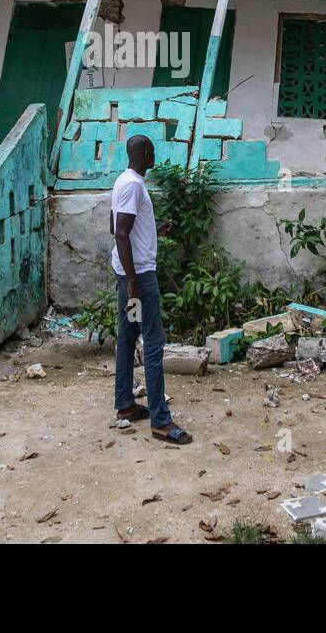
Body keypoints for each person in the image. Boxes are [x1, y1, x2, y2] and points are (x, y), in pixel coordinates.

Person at [110, 133, 192, 444]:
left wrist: (154, 231)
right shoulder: (133, 185)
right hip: (139, 278)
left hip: (126, 273)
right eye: (152, 151)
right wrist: (133, 281)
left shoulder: (122, 182)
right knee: (154, 342)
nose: (154, 156)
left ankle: (126, 404)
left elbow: (118, 227)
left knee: (129, 336)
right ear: (144, 152)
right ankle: (161, 421)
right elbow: (120, 233)